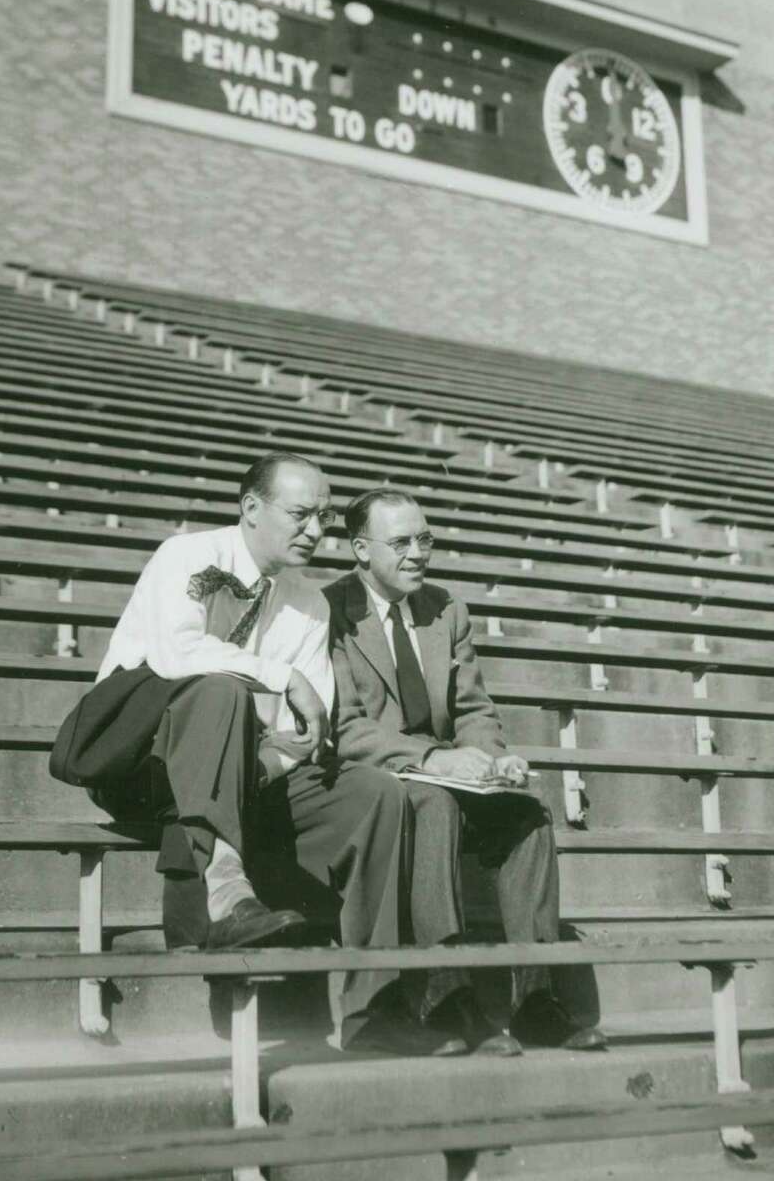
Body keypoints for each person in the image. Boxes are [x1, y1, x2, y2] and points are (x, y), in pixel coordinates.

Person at [93, 452, 423, 1053]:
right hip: (135, 755)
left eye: (322, 517)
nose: (316, 532)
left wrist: (263, 762)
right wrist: (280, 676)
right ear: (250, 509)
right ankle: (222, 890)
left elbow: (309, 727)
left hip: (249, 768)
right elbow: (176, 657)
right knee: (219, 691)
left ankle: (375, 1006)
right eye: (300, 515)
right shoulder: (187, 556)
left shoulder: (310, 603)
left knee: (375, 793)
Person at [326, 487, 609, 1057]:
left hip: (442, 770)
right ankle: (442, 990)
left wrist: (492, 756)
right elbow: (345, 727)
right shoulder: (330, 610)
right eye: (400, 542)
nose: (418, 554)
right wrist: (429, 759)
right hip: (375, 775)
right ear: (360, 549)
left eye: (424, 539)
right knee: (433, 802)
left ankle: (534, 998)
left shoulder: (446, 608)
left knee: (526, 813)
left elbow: (473, 708)